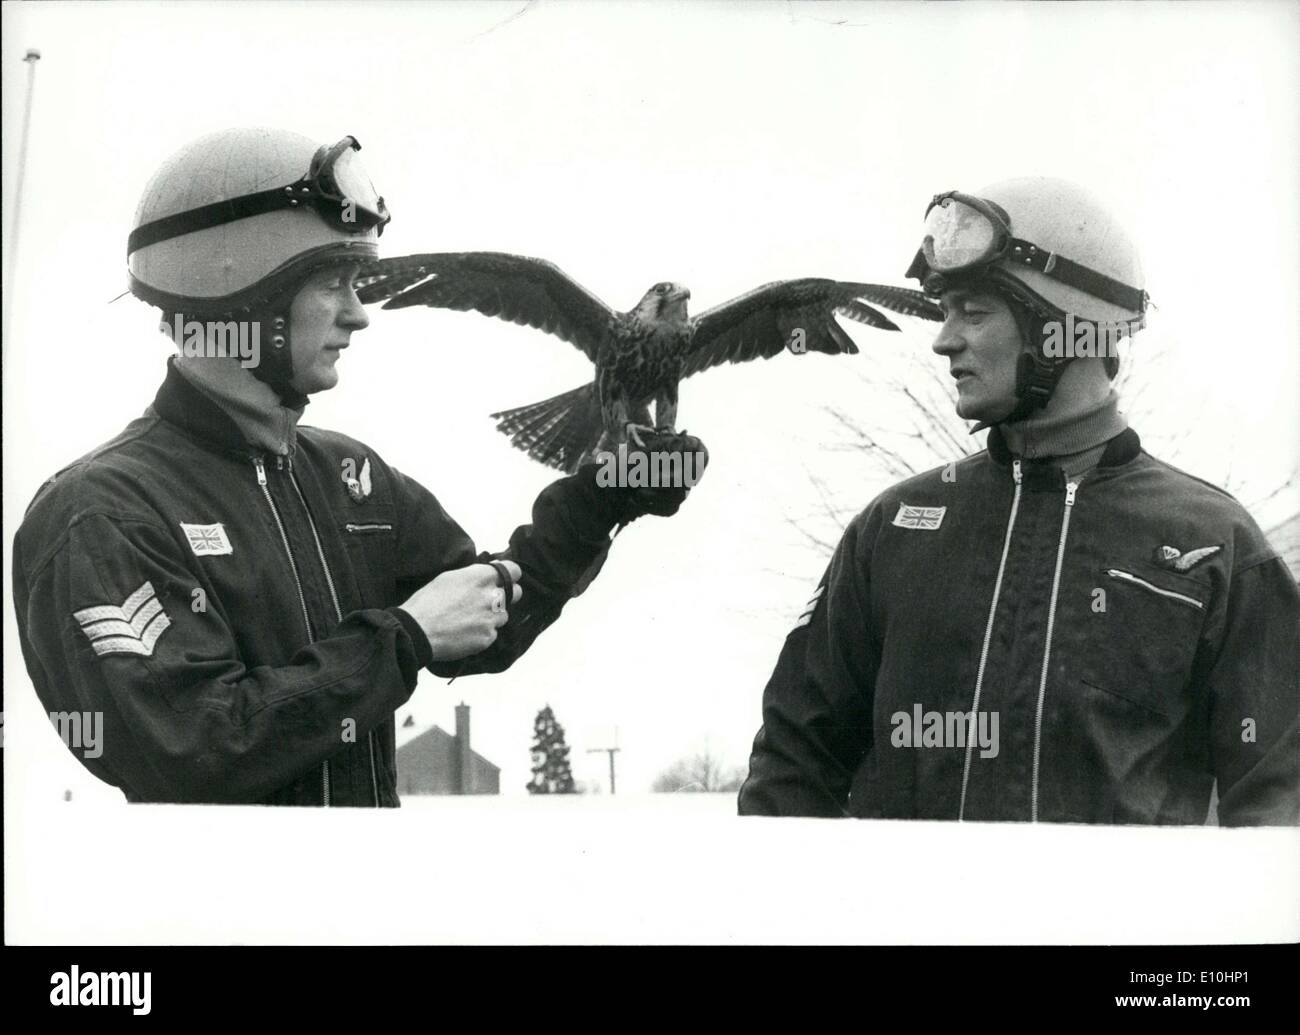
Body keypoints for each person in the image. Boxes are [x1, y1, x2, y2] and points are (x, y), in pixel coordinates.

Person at [12, 127, 700, 807]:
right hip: (216, 918)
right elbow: (193, 745)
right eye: (333, 283)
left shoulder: (351, 479)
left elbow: (489, 621)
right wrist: (401, 640)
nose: (359, 314)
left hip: (367, 906)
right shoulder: (100, 515)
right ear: (242, 291)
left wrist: (601, 498)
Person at [738, 177, 1300, 825]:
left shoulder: (1215, 541)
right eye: (945, 311)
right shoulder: (891, 530)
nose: (944, 340)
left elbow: (1280, 801)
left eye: (974, 313)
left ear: (1070, 327)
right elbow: (791, 768)